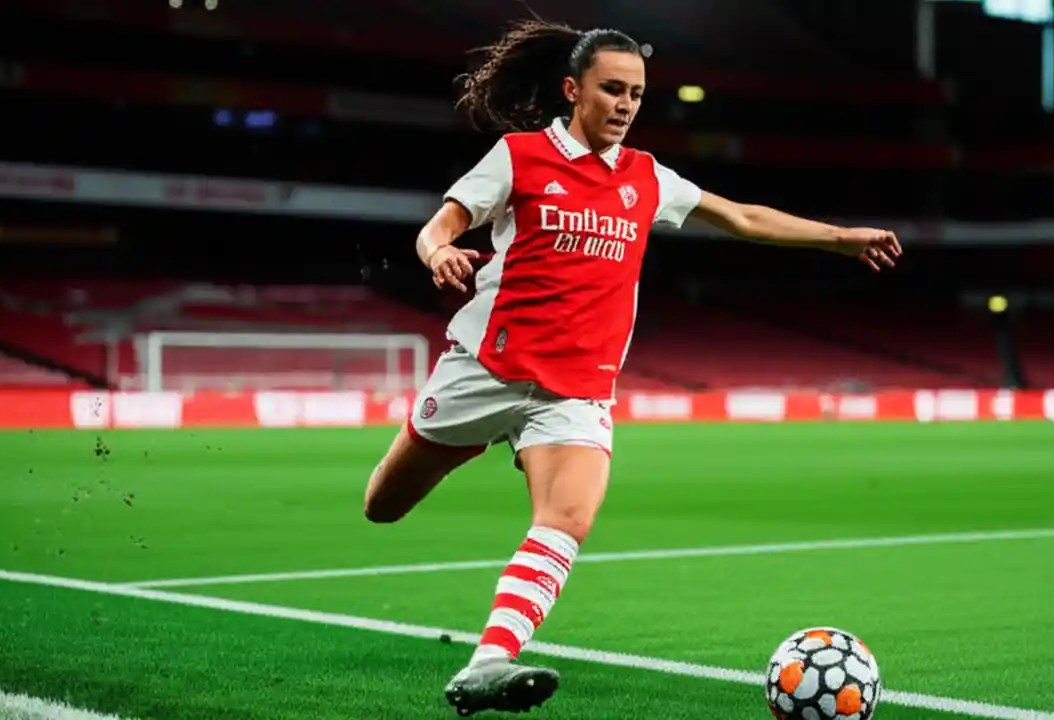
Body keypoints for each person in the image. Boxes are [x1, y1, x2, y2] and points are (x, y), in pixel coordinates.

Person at [362, 18, 901, 716]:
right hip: (487, 370)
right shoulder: (520, 157)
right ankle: (487, 451)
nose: (624, 104)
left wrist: (839, 239)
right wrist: (439, 253)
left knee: (569, 518)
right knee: (383, 507)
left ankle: (489, 660)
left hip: (575, 393)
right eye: (611, 89)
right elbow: (442, 223)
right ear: (572, 90)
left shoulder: (647, 178)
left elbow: (740, 217)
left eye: (636, 94)